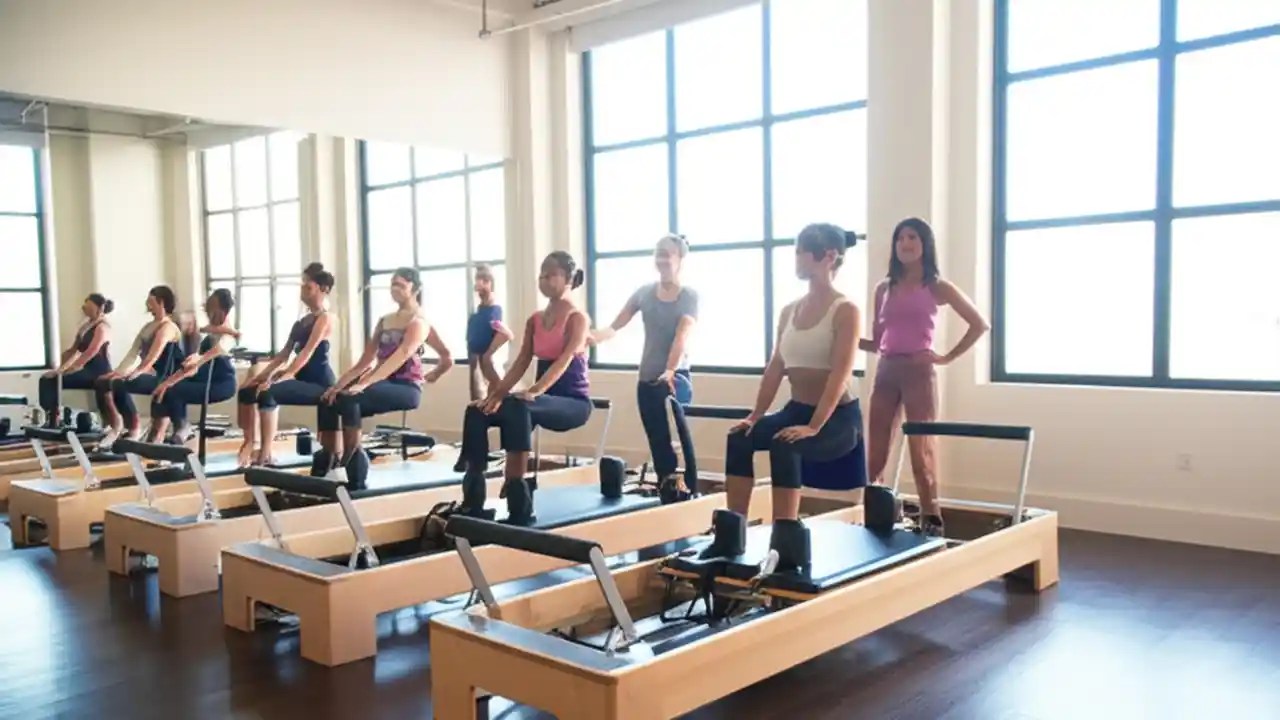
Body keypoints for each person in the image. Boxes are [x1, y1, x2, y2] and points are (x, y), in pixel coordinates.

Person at [722, 223, 862, 564]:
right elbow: (775, 369)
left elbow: (840, 375)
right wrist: (755, 416)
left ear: (828, 256)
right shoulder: (789, 311)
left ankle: (783, 540)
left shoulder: (845, 310)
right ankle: (732, 534)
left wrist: (814, 426)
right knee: (740, 438)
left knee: (785, 445)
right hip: (795, 409)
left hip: (836, 420)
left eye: (801, 251)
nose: (796, 258)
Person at [860, 217, 988, 537]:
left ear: (924, 244)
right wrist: (841, 338)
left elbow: (978, 324)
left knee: (922, 452)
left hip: (919, 373)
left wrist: (945, 357)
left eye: (912, 238)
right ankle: (875, 516)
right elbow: (877, 342)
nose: (905, 244)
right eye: (900, 238)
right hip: (886, 371)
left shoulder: (937, 286)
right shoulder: (883, 289)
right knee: (875, 453)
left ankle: (932, 520)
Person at [456, 251, 593, 523]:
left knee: (519, 405)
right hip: (539, 399)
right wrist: (495, 395)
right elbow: (520, 362)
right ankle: (473, 498)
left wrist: (535, 391)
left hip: (573, 403)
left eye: (551, 274)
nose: (543, 280)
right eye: (541, 275)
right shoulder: (535, 319)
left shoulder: (577, 318)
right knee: (476, 410)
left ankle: (517, 496)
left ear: (567, 279)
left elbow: (564, 361)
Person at [315, 266, 452, 480]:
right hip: (380, 383)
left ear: (415, 289)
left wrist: (431, 376)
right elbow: (365, 361)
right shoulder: (385, 320)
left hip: (406, 388)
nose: (394, 289)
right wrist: (338, 385)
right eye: (392, 284)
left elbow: (404, 355)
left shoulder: (419, 321)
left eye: (401, 285)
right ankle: (330, 457)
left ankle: (352, 462)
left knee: (352, 399)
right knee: (329, 399)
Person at [589, 234, 698, 499]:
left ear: (680, 259)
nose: (662, 259)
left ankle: (687, 488)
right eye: (658, 253)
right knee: (657, 439)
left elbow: (681, 336)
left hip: (675, 377)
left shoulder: (689, 296)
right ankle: (666, 487)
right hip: (647, 378)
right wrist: (588, 338)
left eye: (668, 254)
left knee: (676, 439)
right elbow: (615, 326)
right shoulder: (644, 293)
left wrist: (670, 370)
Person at [235, 263, 337, 466]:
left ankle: (266, 453)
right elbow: (283, 355)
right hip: (300, 377)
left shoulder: (326, 318)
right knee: (248, 391)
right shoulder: (301, 322)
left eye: (309, 287)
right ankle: (249, 443)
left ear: (323, 290)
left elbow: (307, 352)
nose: (303, 291)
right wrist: (260, 377)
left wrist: (286, 375)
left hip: (319, 383)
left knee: (268, 393)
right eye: (302, 287)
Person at [93, 286, 184, 451]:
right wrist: (118, 372)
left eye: (150, 302)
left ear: (161, 302)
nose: (147, 305)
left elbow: (152, 358)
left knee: (119, 383)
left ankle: (134, 428)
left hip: (165, 377)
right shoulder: (148, 327)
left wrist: (137, 372)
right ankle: (115, 425)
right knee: (103, 382)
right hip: (149, 372)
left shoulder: (168, 327)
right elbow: (133, 353)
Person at [149, 289, 239, 445]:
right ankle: (157, 434)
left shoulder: (227, 337)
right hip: (203, 379)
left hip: (221, 384)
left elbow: (206, 357)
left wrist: (169, 383)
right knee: (161, 391)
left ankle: (182, 427)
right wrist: (166, 383)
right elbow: (193, 365)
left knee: (171, 390)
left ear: (221, 309)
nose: (206, 310)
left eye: (211, 306)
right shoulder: (210, 332)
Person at [39, 293, 114, 427]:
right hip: (86, 368)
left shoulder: (102, 327)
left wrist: (72, 368)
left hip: (98, 371)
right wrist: (58, 369)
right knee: (47, 379)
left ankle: (55, 419)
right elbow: (73, 351)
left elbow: (91, 351)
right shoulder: (85, 327)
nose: (84, 308)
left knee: (55, 380)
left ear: (99, 308)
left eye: (88, 305)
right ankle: (52, 417)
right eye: (85, 305)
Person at [466, 263, 513, 402]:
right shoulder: (476, 316)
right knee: (480, 401)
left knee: (497, 394)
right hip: (477, 360)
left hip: (489, 360)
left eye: (484, 280)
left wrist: (488, 355)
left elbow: (507, 334)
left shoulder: (494, 311)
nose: (479, 283)